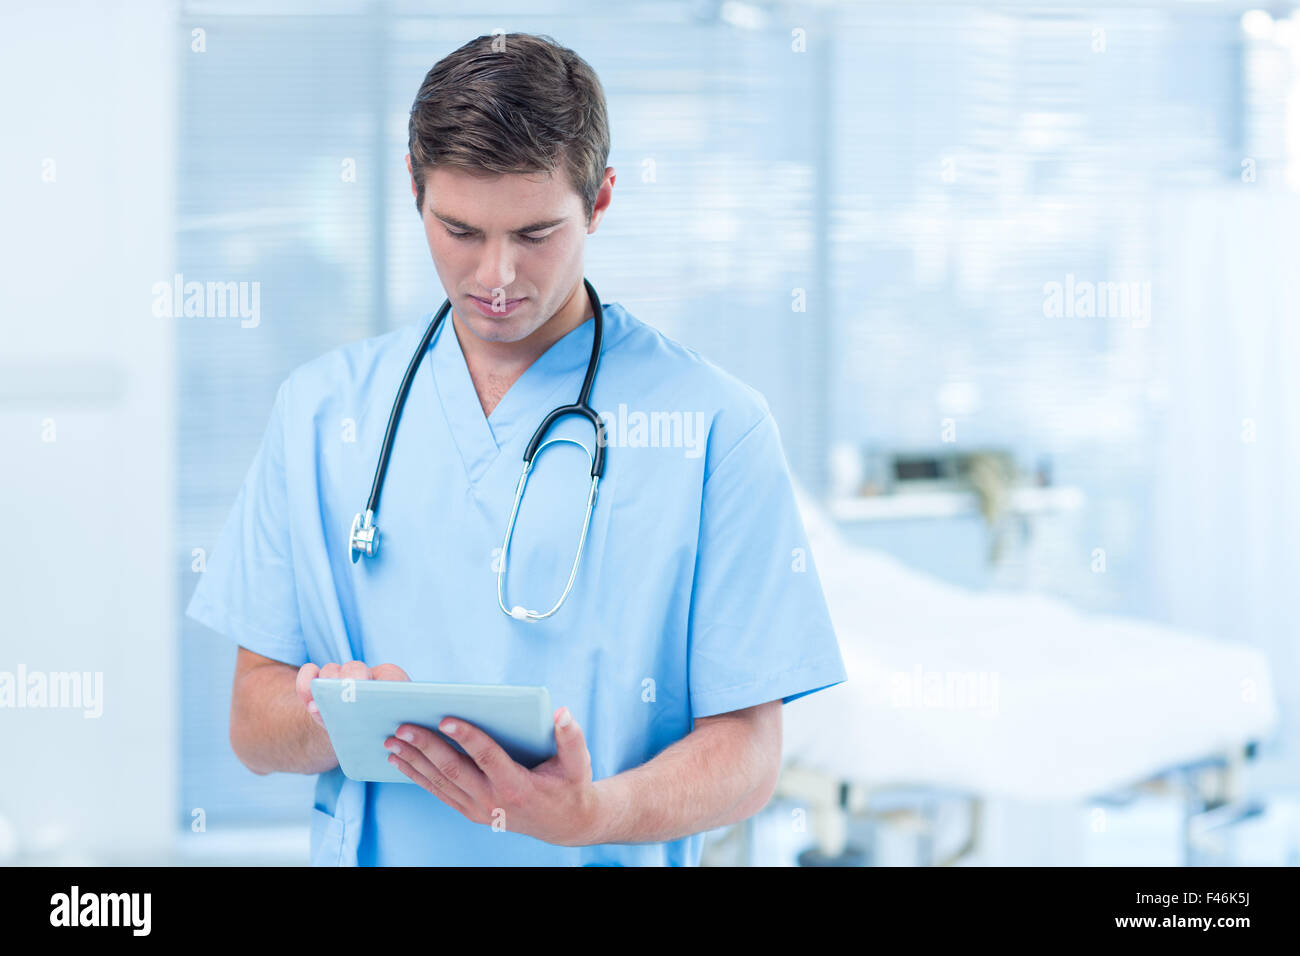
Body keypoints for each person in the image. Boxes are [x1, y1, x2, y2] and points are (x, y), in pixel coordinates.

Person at [186, 31, 847, 866]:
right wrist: (331, 712)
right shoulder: (320, 412)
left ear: (601, 201)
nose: (495, 275)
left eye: (535, 234)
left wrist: (592, 813)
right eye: (459, 229)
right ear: (412, 189)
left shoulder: (715, 427)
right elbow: (253, 725)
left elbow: (749, 755)